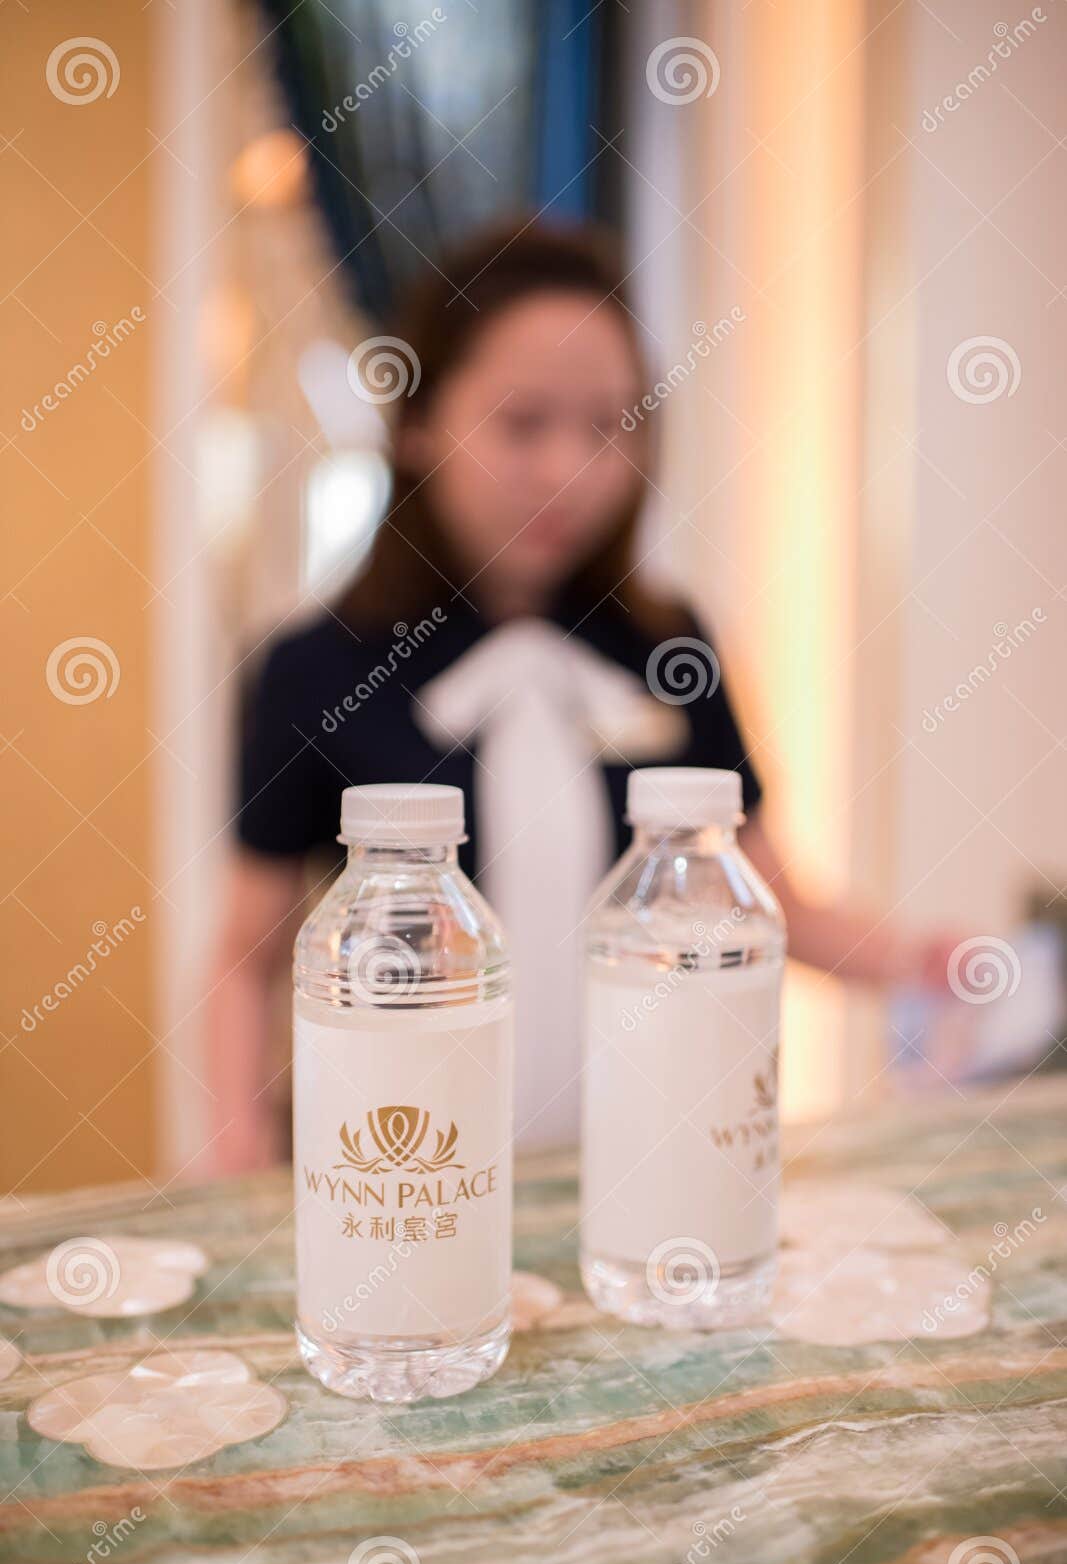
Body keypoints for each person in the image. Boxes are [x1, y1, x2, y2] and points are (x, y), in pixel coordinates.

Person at [206, 219, 953, 1172]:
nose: (571, 472)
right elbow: (247, 955)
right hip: (402, 1167)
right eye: (523, 424)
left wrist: (931, 963)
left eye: (607, 427)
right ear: (420, 426)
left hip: (648, 1157)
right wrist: (235, 1147)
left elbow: (768, 900)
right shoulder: (316, 670)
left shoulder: (667, 646)